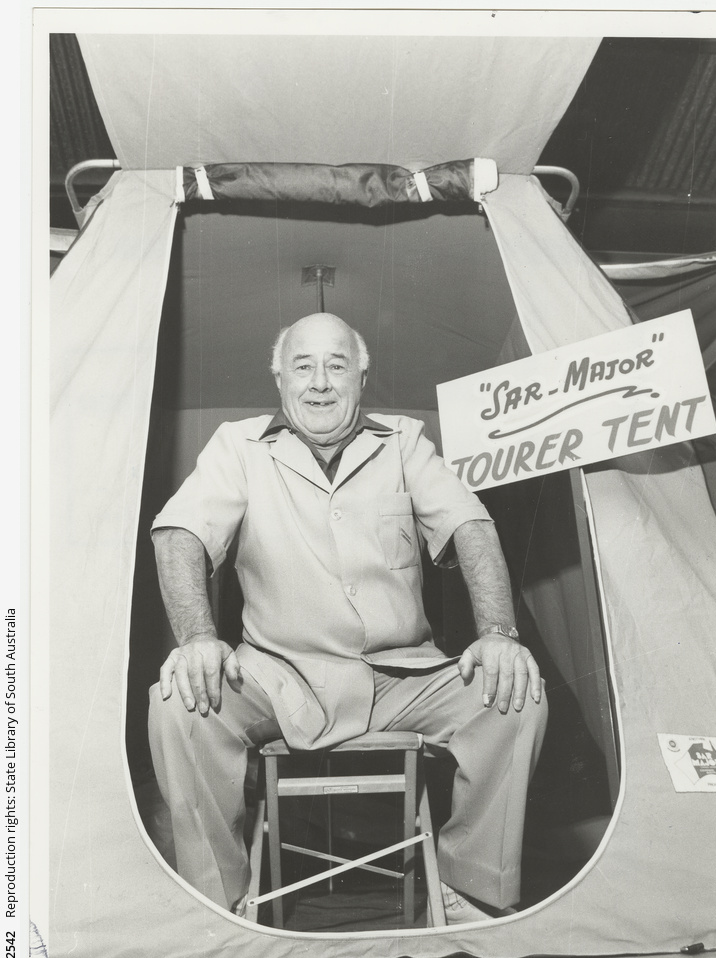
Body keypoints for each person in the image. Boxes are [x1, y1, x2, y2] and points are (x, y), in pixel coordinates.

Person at [149, 312, 547, 925]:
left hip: (401, 680)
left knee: (515, 695)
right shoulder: (238, 444)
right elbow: (180, 533)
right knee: (177, 702)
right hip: (276, 678)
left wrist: (499, 634)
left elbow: (471, 526)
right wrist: (199, 637)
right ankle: (215, 903)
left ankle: (472, 890)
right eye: (302, 366)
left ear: (362, 375)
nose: (319, 382)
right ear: (278, 376)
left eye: (336, 365)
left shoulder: (406, 441)